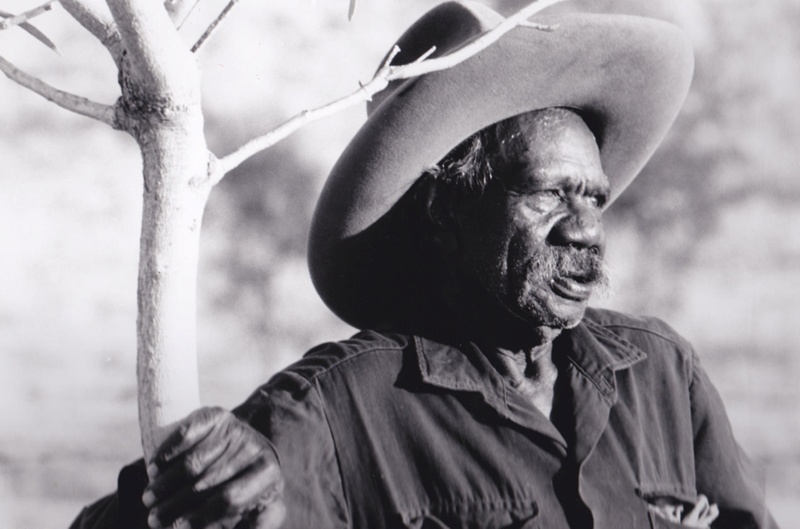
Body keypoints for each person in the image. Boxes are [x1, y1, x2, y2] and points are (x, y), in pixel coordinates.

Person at [70, 2, 779, 528]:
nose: (586, 228)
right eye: (549, 194)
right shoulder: (346, 405)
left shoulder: (662, 376)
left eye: (594, 196)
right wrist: (192, 489)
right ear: (446, 211)